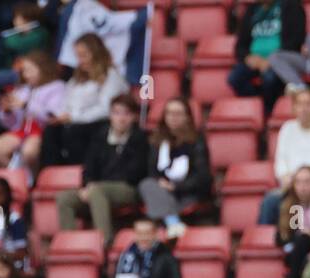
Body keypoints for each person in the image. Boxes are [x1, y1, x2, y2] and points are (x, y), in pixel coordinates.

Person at [56, 94, 149, 246]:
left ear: (134, 116)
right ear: (110, 115)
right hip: (98, 189)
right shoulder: (100, 136)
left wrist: (96, 187)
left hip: (128, 188)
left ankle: (103, 242)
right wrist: (88, 185)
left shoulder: (140, 139)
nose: (121, 118)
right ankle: (69, 243)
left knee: (97, 191)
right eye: (116, 113)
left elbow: (137, 172)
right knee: (65, 198)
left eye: (126, 113)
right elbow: (89, 167)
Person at [40, 33, 128, 169]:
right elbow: (66, 101)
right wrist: (62, 115)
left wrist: (74, 117)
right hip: (73, 122)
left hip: (97, 124)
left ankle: (79, 171)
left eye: (84, 55)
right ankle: (51, 172)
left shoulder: (111, 76)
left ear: (96, 53)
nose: (80, 61)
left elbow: (106, 109)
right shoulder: (76, 79)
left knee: (76, 132)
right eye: (78, 56)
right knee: (50, 131)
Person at [138, 97, 212, 241]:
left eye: (178, 114)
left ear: (187, 117)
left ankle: (169, 223)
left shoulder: (197, 141)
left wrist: (175, 187)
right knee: (146, 185)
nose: (173, 118)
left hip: (187, 193)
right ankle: (174, 223)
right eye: (170, 113)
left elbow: (203, 177)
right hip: (161, 193)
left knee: (155, 197)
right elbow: (152, 173)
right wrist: (162, 184)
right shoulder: (156, 141)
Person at [259, 88, 310, 225]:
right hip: (291, 185)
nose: (304, 109)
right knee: (270, 201)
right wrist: (290, 179)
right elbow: (280, 160)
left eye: (308, 104)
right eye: (300, 104)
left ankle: (305, 236)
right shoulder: (287, 128)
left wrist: (307, 181)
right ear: (294, 107)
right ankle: (270, 242)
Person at [0, 50, 64, 172]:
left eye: (30, 70)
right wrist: (6, 111)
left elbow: (52, 116)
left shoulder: (56, 87)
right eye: (24, 71)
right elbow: (10, 124)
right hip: (21, 131)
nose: (26, 75)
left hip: (43, 132)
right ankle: (14, 179)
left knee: (29, 152)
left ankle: (31, 181)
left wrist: (26, 106)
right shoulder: (23, 89)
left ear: (43, 68)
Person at [229, 0, 307, 112]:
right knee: (234, 78)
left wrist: (271, 60)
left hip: (280, 61)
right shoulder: (252, 10)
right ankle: (257, 108)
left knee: (270, 79)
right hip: (255, 60)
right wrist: (247, 57)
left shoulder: (291, 6)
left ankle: (269, 110)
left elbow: (296, 41)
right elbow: (240, 45)